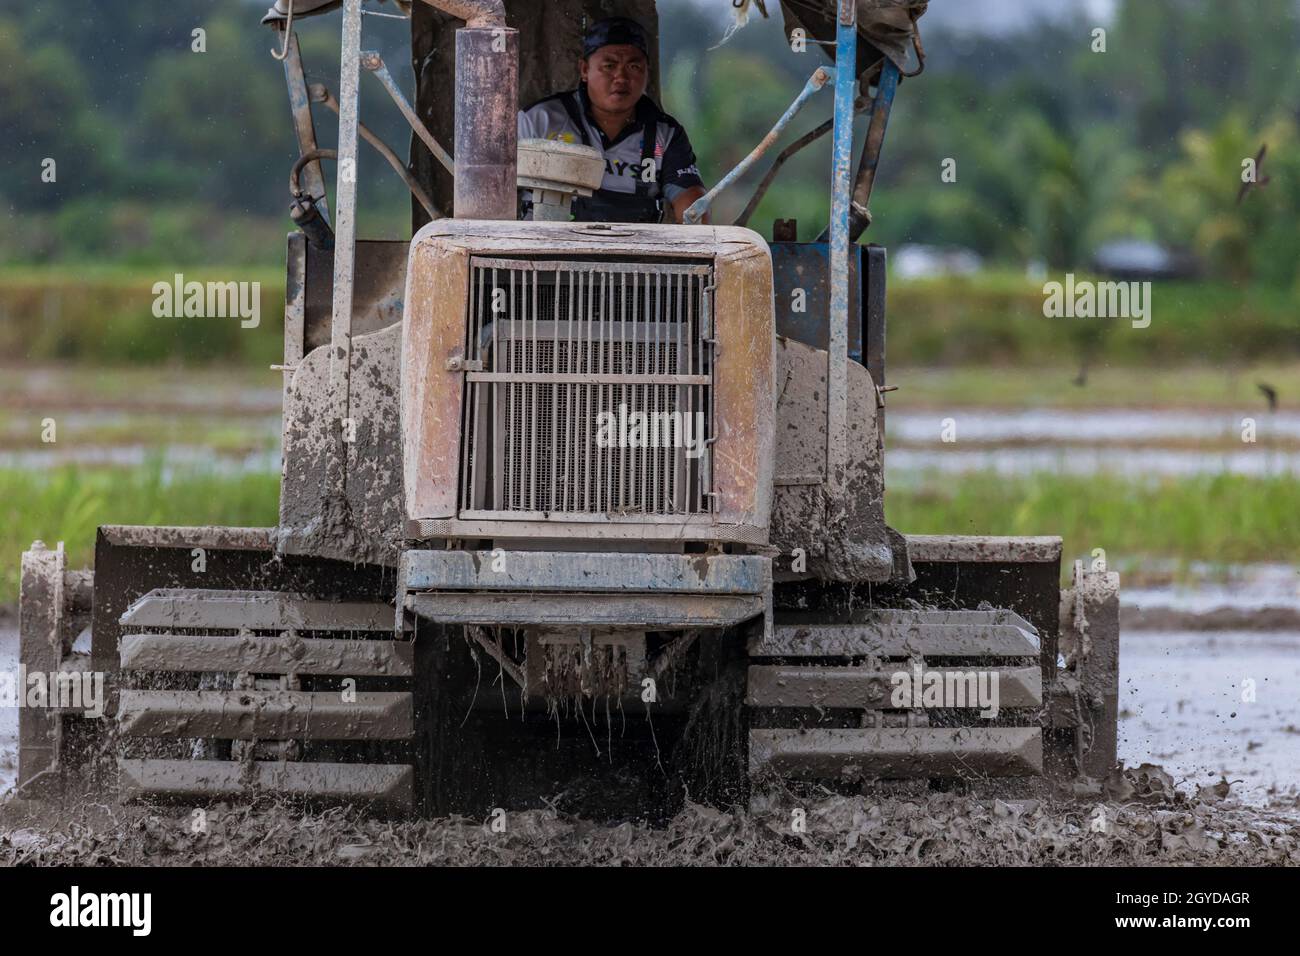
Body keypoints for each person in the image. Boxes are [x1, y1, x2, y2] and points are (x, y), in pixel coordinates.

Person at [517, 17, 708, 224]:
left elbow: (692, 206)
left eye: (634, 67)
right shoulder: (538, 121)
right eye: (609, 66)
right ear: (584, 70)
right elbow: (495, 188)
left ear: (647, 72)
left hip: (635, 253)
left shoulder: (666, 134)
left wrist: (699, 229)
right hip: (544, 250)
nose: (621, 77)